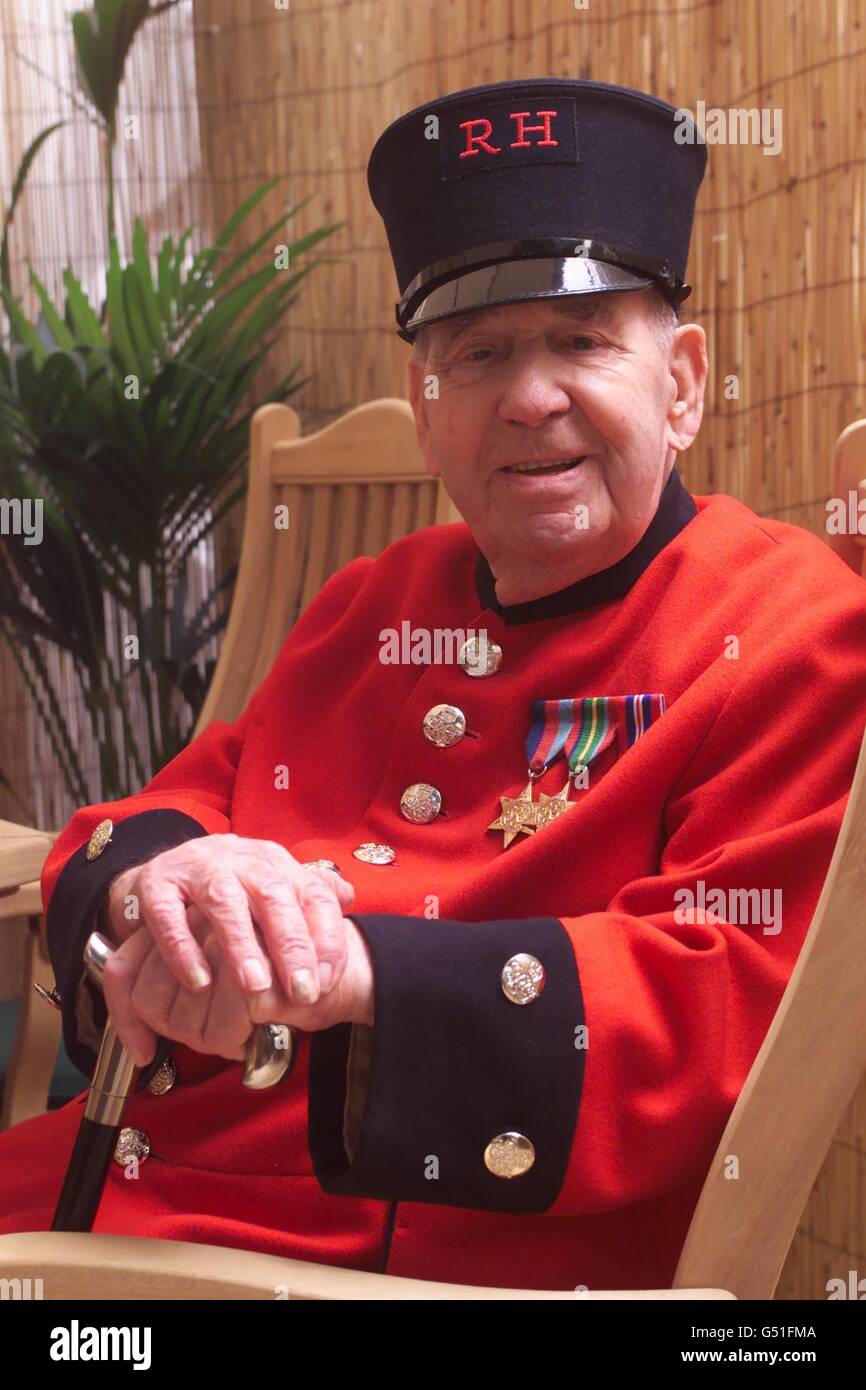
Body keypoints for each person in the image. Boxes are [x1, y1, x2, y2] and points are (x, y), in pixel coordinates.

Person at [1, 77, 865, 1294]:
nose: (526, 396)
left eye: (579, 340)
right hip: (131, 1186)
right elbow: (184, 802)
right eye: (476, 352)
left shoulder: (793, 630)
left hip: (437, 1261)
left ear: (679, 383)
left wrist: (354, 974)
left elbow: (716, 1009)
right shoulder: (370, 603)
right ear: (426, 408)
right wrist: (166, 881)